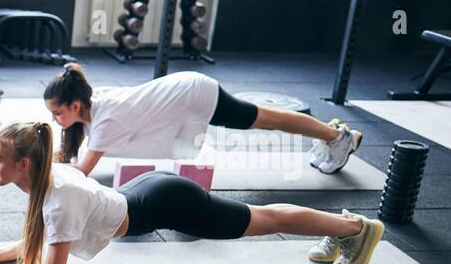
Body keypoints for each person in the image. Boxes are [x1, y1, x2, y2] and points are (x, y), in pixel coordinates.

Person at [0, 122, 385, 264]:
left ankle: (354, 228)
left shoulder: (58, 199)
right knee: (263, 218)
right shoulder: (46, 178)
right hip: (149, 192)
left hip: (169, 202)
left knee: (263, 220)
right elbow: (40, 240)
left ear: (23, 164)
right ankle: (343, 228)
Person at [42, 62, 362, 176]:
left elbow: (83, 172)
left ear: (74, 104)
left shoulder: (104, 122)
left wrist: (43, 172)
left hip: (196, 95)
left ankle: (337, 137)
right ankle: (331, 134)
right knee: (264, 118)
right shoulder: (92, 102)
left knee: (265, 119)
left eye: (57, 113)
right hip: (186, 88)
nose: (55, 120)